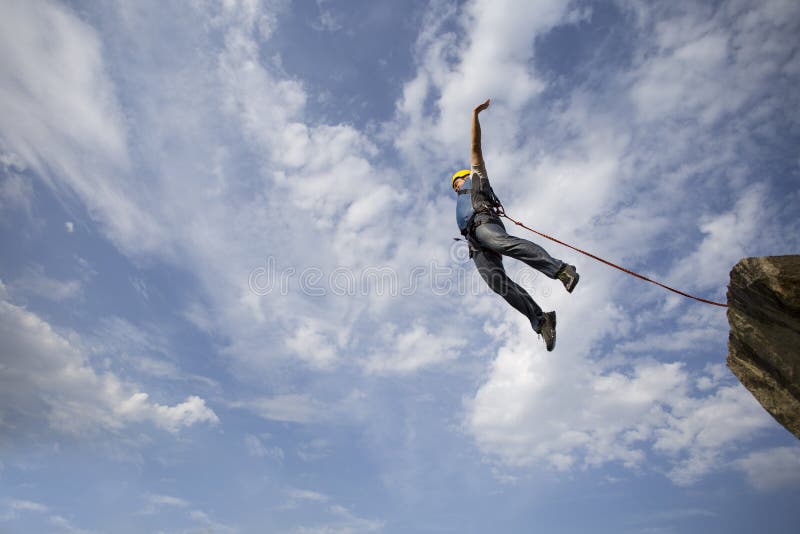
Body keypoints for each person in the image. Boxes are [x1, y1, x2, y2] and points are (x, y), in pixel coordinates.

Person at [452, 98, 579, 351]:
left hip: (484, 223)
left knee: (503, 243)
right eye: (454, 184)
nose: (456, 185)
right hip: (473, 243)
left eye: (459, 180)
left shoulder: (477, 177)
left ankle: (562, 270)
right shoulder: (460, 199)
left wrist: (475, 115)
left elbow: (475, 147)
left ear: (468, 175)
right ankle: (541, 319)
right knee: (496, 282)